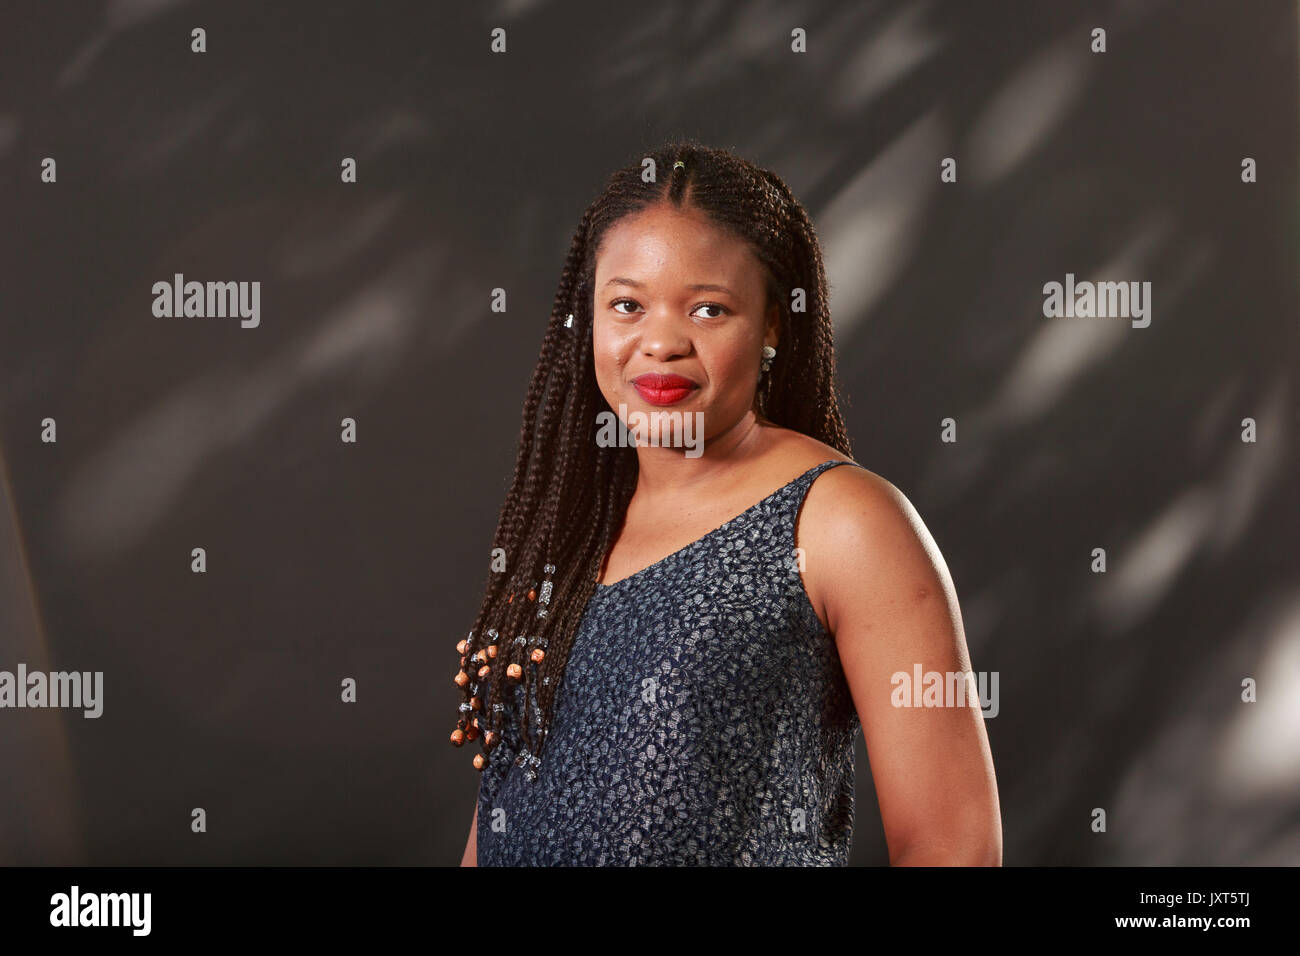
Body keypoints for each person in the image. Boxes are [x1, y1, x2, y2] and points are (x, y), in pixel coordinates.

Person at [450, 139, 1001, 866]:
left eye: (708, 309)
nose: (661, 342)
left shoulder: (842, 521)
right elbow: (496, 829)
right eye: (627, 305)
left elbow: (952, 845)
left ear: (773, 325)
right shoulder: (571, 534)